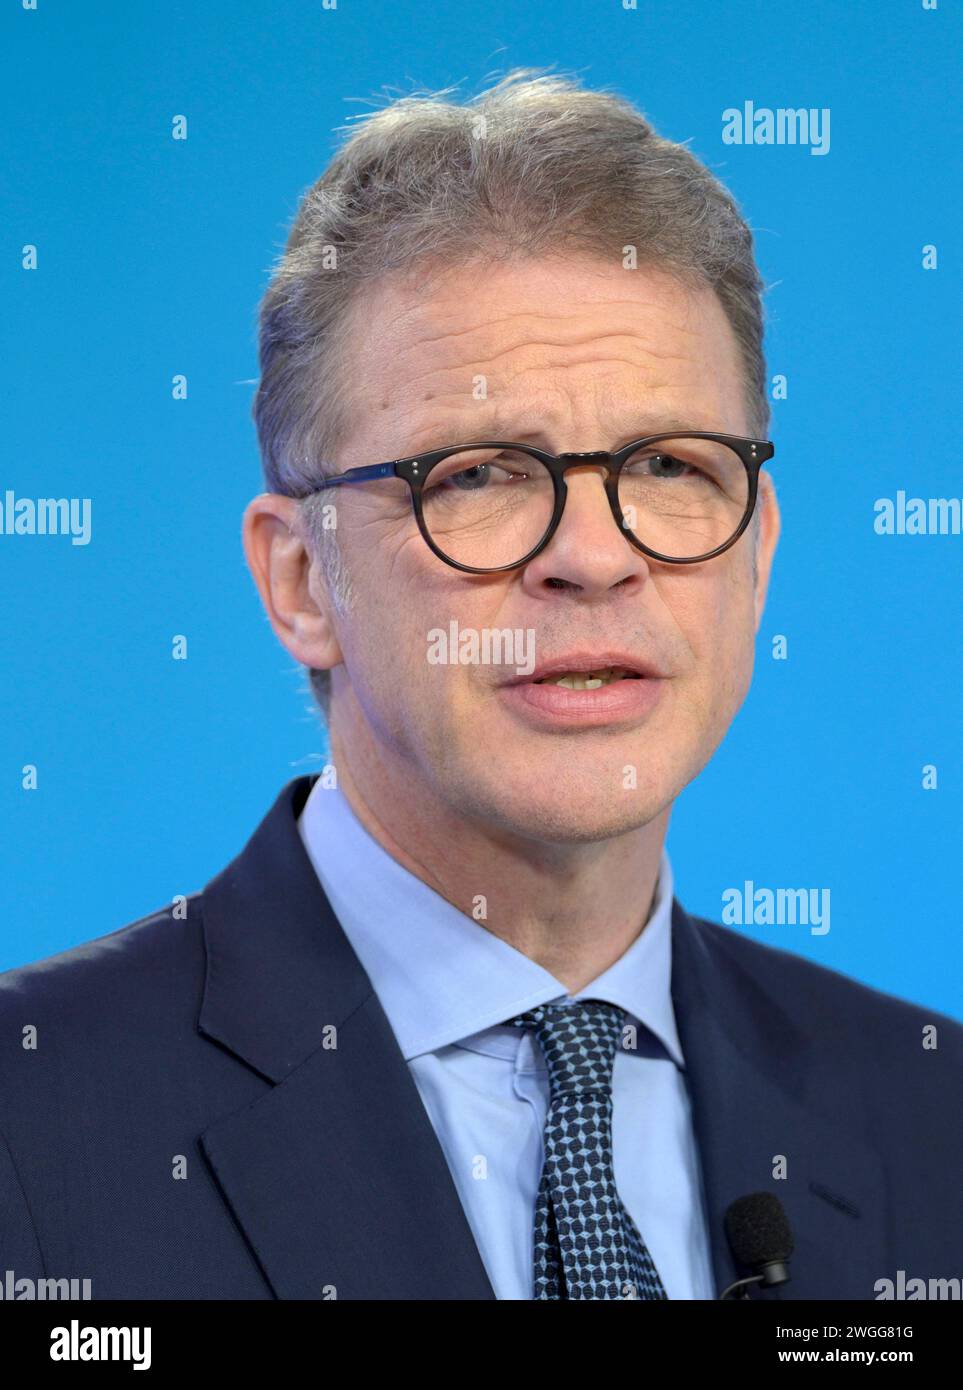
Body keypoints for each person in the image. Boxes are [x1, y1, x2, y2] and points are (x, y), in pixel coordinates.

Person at [1, 71, 959, 1302]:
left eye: (669, 464)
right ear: (302, 581)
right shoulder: (34, 1128)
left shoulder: (935, 1118)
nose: (597, 555)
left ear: (758, 548)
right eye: (480, 475)